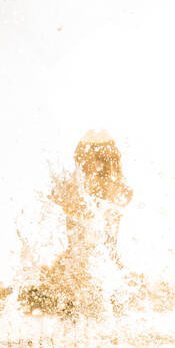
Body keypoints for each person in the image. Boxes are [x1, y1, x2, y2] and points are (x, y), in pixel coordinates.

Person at [42, 130, 135, 317]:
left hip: (82, 265)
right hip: (101, 264)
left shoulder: (73, 189)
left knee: (75, 312)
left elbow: (55, 196)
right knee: (108, 312)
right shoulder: (119, 189)